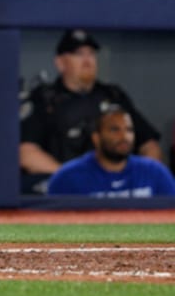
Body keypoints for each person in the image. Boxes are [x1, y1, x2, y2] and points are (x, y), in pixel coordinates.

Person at [21, 29, 164, 192]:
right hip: (67, 191)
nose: (87, 60)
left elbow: (150, 145)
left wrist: (140, 178)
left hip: (114, 190)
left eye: (91, 54)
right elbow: (27, 153)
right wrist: (74, 178)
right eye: (79, 54)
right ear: (60, 63)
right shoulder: (45, 99)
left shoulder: (113, 95)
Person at [46, 108, 175, 197]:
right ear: (96, 138)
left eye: (129, 130)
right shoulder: (67, 177)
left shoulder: (155, 172)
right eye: (114, 130)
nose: (124, 136)